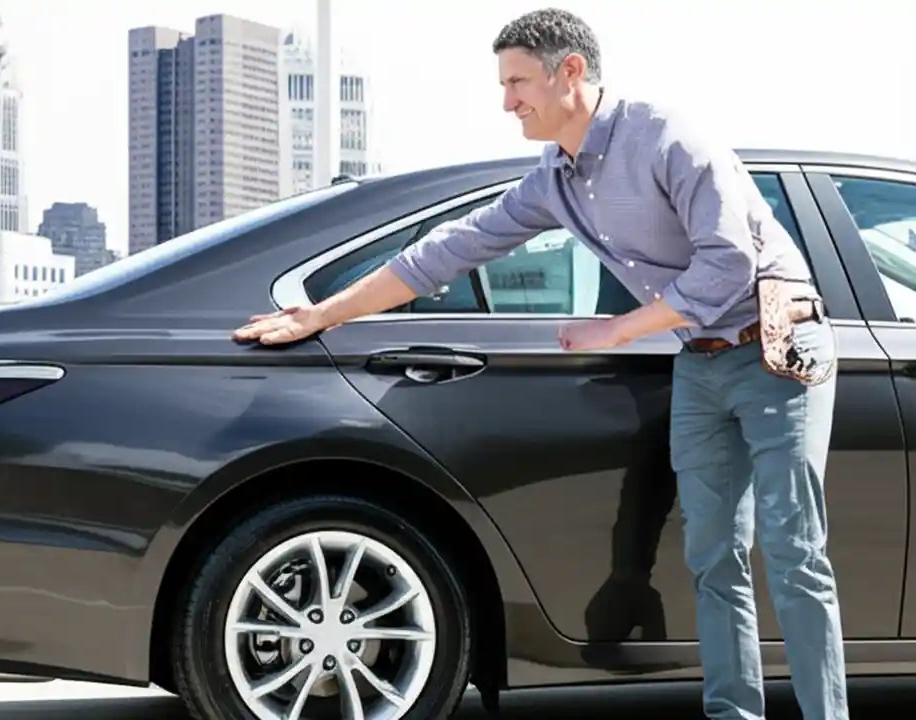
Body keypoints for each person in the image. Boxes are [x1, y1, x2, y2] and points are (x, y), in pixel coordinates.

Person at [233, 7, 847, 720]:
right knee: (713, 557)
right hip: (701, 363)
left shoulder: (667, 136)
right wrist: (321, 314)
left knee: (794, 551)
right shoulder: (557, 176)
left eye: (518, 81)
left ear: (572, 72)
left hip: (777, 351)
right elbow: (446, 251)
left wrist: (620, 329)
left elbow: (728, 263)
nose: (507, 100)